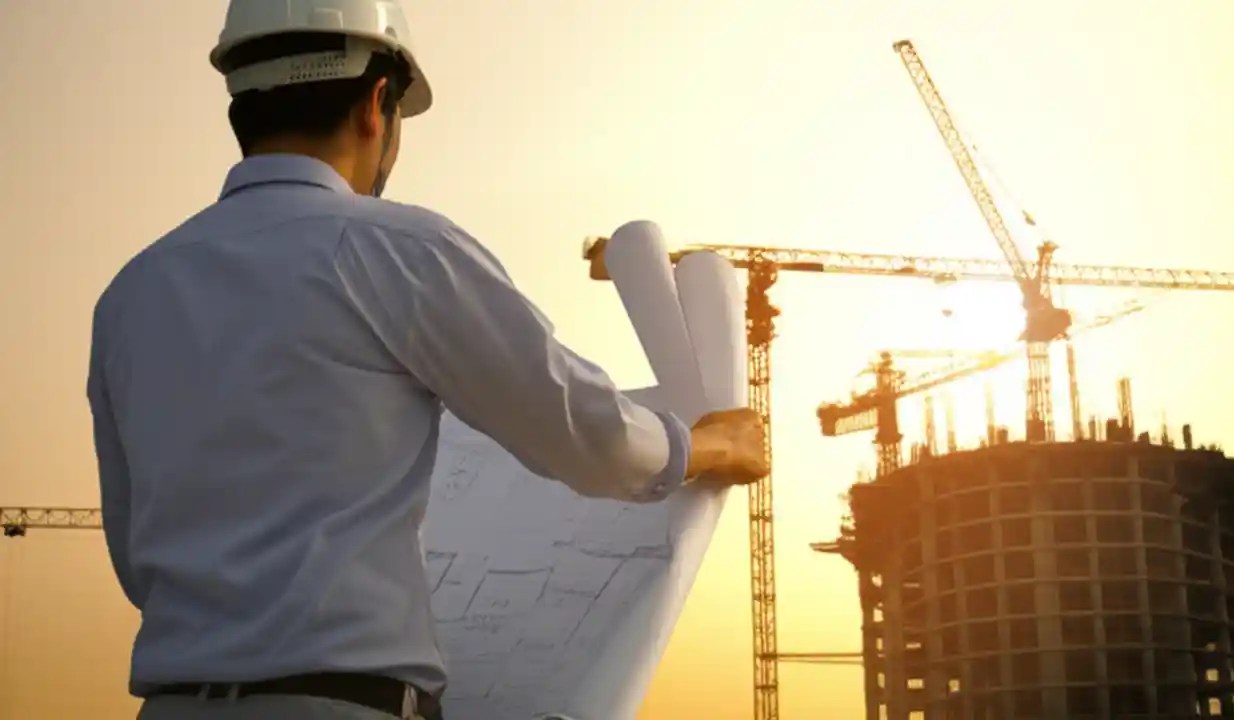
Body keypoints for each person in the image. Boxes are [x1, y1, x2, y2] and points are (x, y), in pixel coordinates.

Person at [86, 1, 770, 719]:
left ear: (239, 103)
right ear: (378, 103)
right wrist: (705, 442)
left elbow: (137, 556)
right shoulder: (400, 252)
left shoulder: (133, 293)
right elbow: (579, 428)